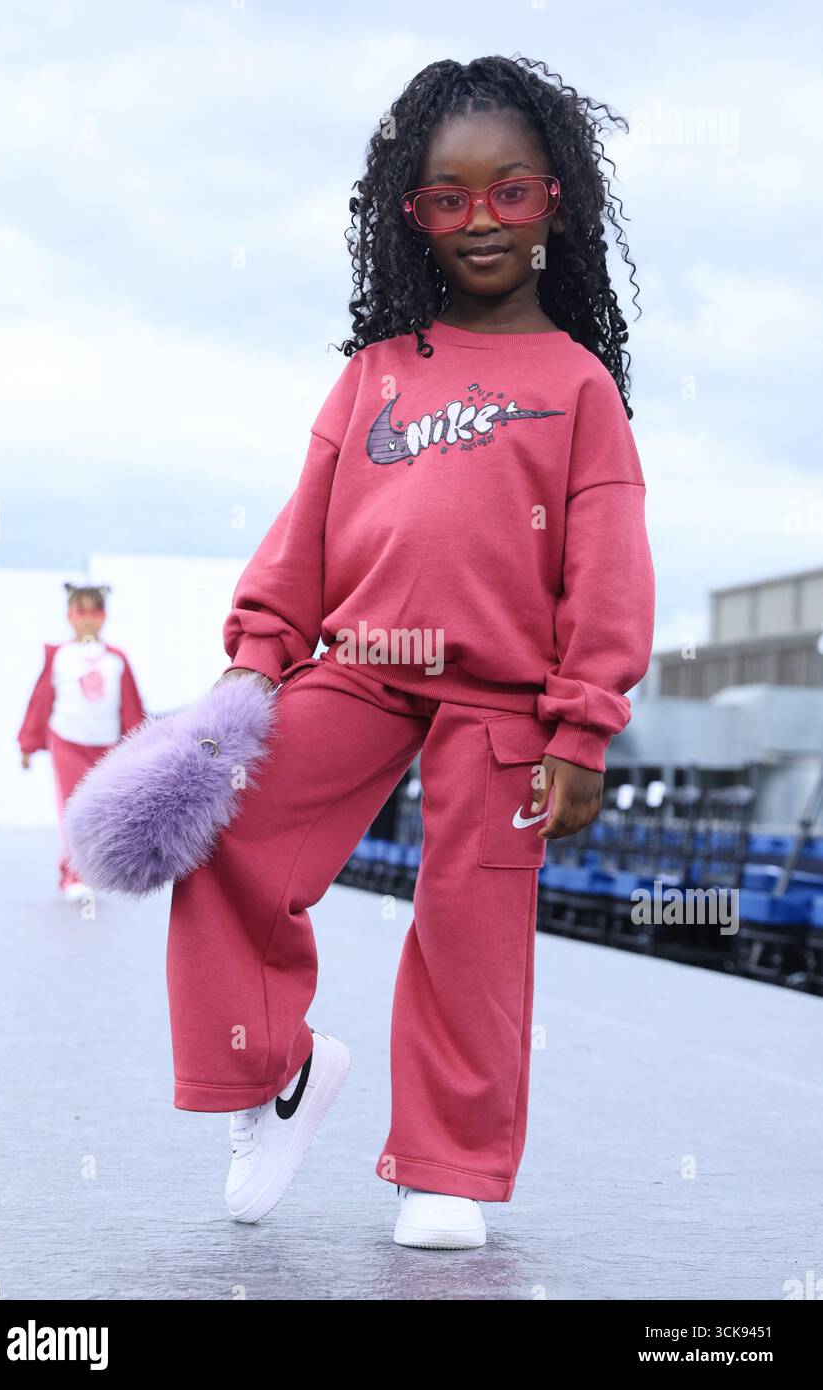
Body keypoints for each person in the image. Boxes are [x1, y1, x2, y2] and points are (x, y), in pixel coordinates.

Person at [165, 54, 656, 1249]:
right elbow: (300, 544)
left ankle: (446, 1167)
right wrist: (254, 657)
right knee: (218, 823)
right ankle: (275, 1073)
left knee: (469, 934)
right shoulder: (374, 375)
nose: (478, 220)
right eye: (446, 198)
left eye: (509, 193)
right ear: (409, 213)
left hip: (502, 701)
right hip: (362, 665)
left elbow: (606, 571)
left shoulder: (578, 386)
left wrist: (581, 726)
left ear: (557, 203)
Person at [18, 583, 146, 901]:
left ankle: (91, 870)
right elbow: (41, 701)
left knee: (100, 811)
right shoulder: (60, 657)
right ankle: (73, 874)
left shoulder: (116, 660)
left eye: (95, 612)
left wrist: (142, 747)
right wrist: (27, 744)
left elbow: (130, 706)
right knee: (73, 809)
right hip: (67, 741)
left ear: (104, 616)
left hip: (106, 747)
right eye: (81, 612)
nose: (88, 620)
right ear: (70, 616)